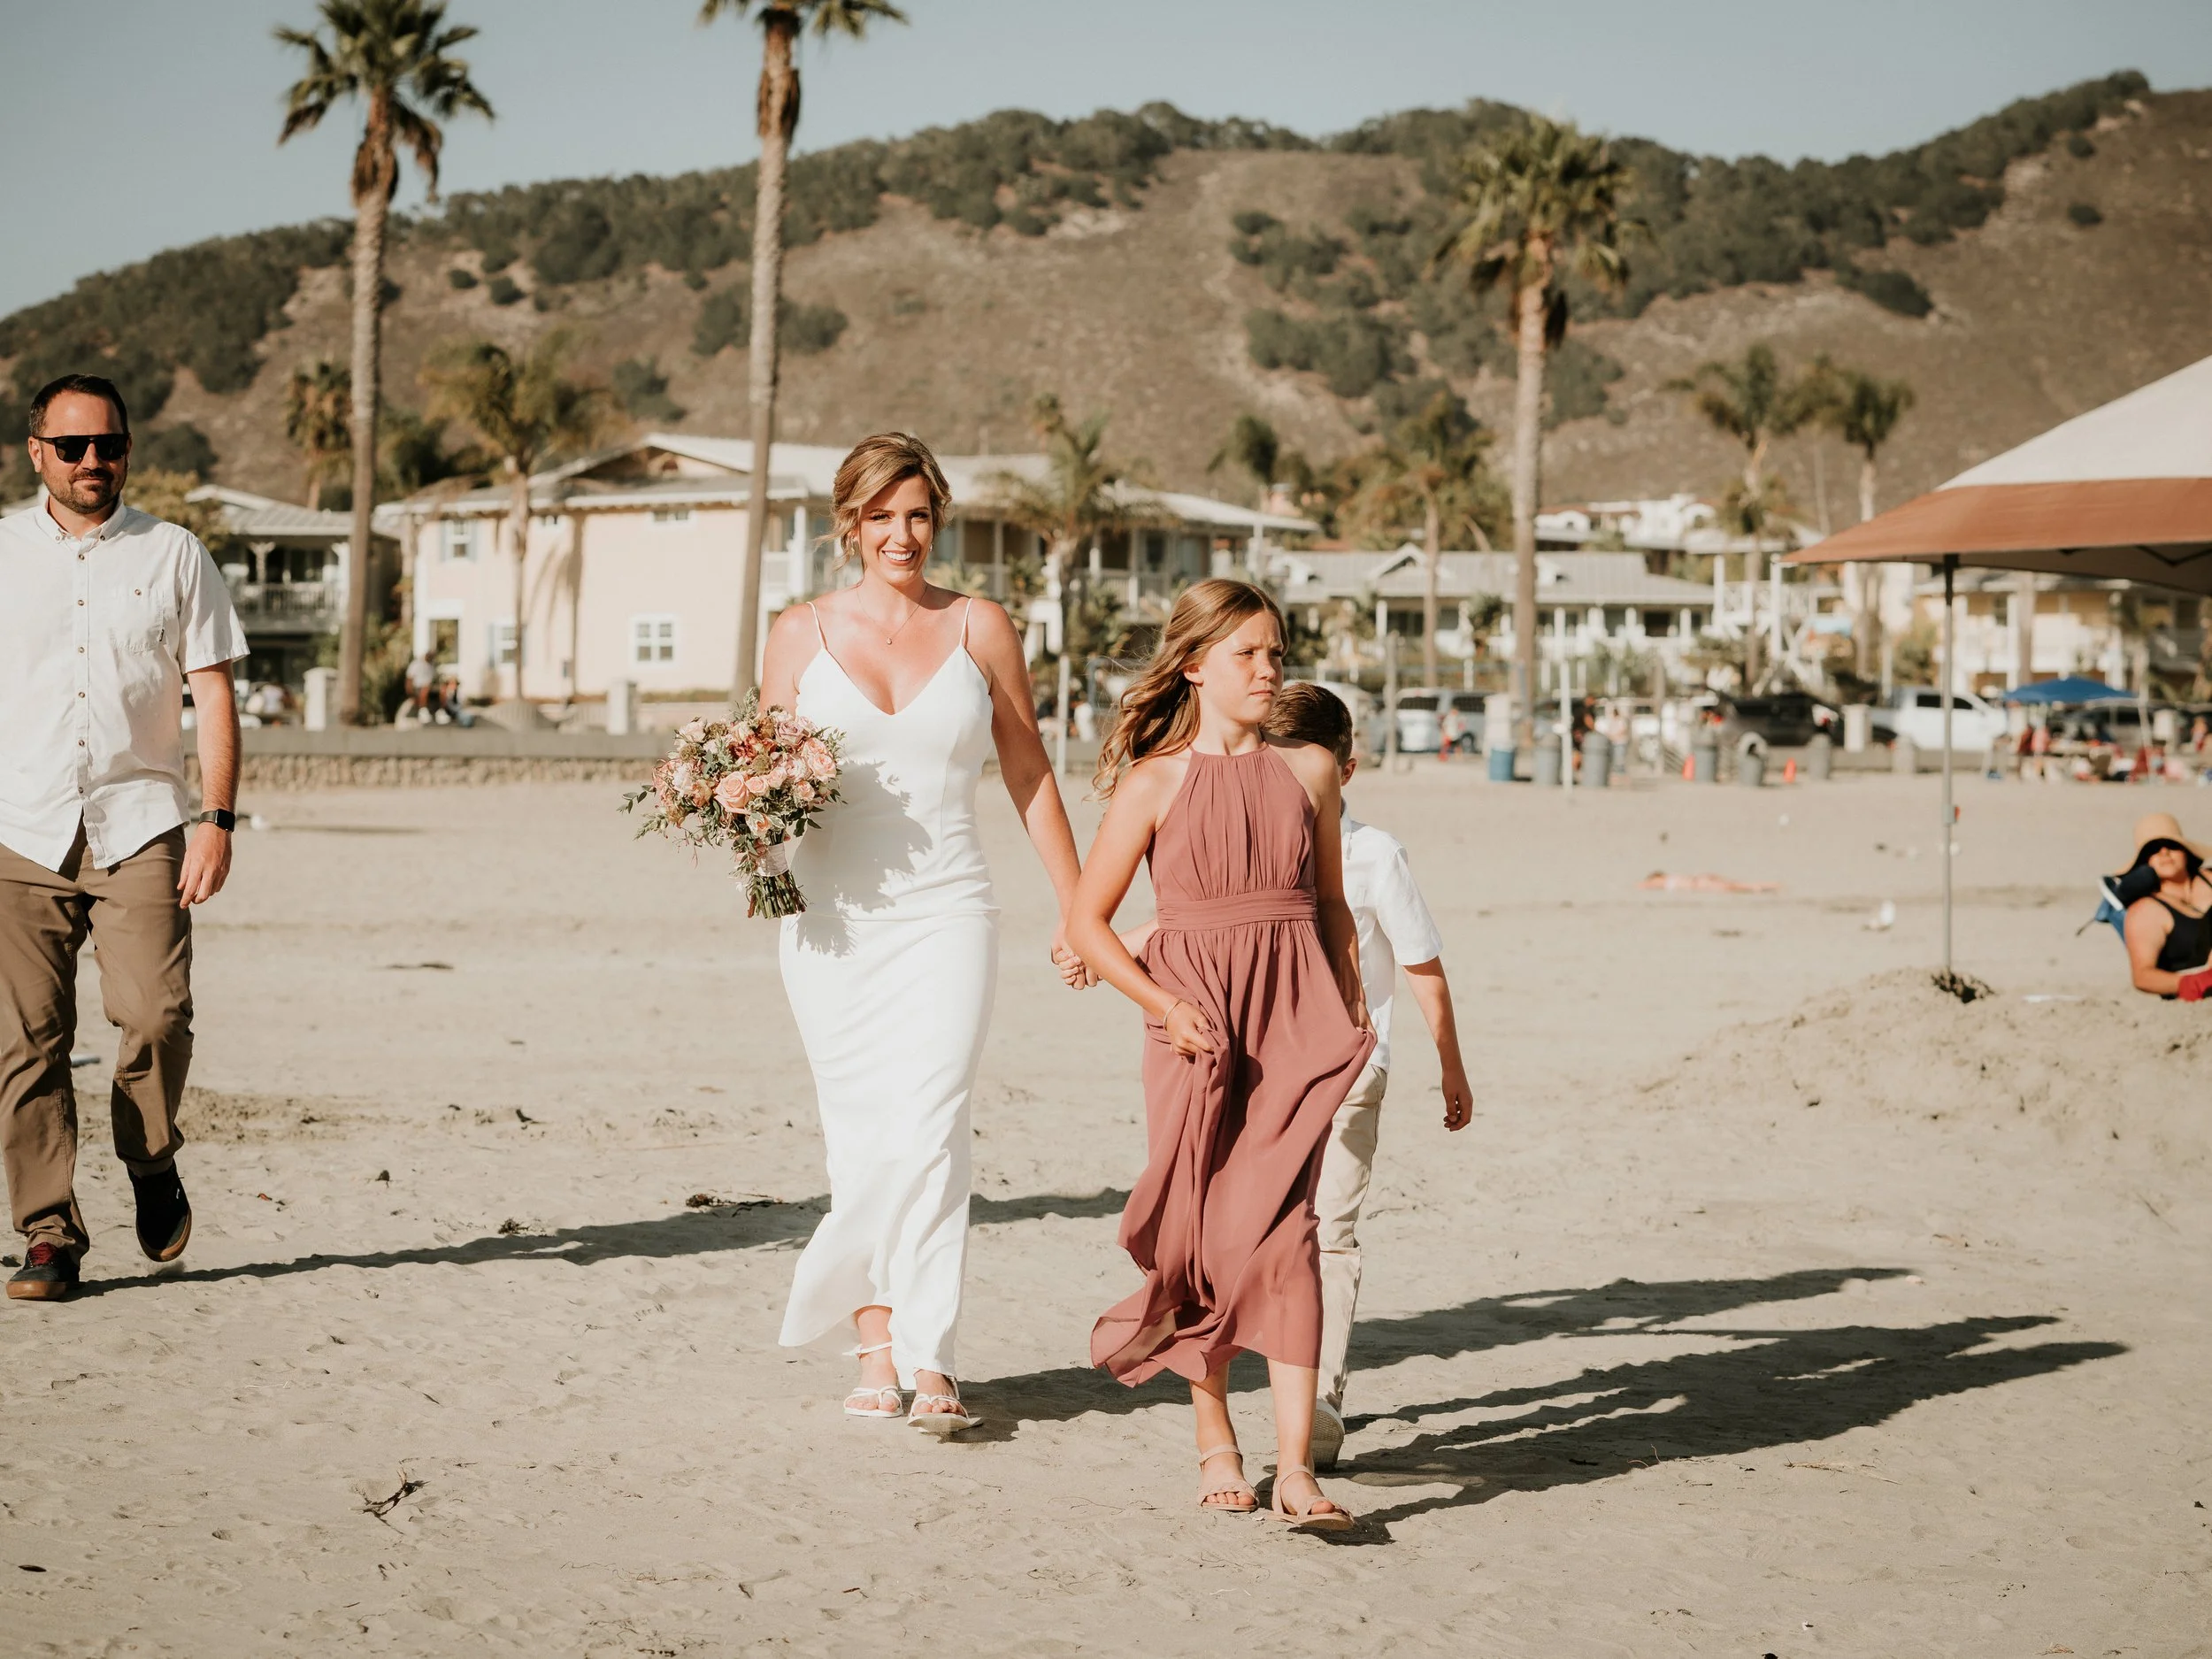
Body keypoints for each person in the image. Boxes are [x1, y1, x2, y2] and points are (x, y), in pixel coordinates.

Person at [757, 432, 1090, 1437]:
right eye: (879, 517)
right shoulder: (796, 633)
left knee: (934, 1123)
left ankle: (930, 1353)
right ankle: (873, 1339)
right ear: (847, 525)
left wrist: (1079, 907)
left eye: (917, 515)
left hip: (949, 906)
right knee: (858, 1128)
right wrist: (749, 844)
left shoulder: (981, 626)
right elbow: (764, 773)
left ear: (936, 518)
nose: (900, 535)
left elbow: (1029, 772)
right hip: (831, 921)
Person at [1067, 580, 1373, 1531]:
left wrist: (1347, 1019)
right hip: (1195, 1025)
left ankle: (1293, 1471)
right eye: (1248, 654)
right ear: (1194, 665)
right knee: (1203, 1235)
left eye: (1277, 652)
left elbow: (1329, 906)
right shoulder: (1152, 783)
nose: (1269, 669)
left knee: (1287, 1231)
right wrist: (1163, 1001)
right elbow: (1085, 921)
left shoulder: (1312, 769)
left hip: (1296, 1020)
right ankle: (1215, 1437)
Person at [0, 373, 246, 1302]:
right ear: (37, 455)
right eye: (73, 447)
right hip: (16, 826)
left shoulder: (175, 553)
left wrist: (216, 821)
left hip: (140, 823)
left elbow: (214, 691)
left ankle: (149, 1158)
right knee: (25, 1043)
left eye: (110, 445)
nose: (93, 461)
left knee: (155, 1015)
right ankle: (49, 1235)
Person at [1262, 681, 1472, 1470]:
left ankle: (1319, 1400)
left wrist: (1451, 1066)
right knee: (1282, 1232)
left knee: (1333, 1233)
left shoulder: (1375, 853)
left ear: (1345, 771)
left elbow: (1423, 964)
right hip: (1265, 1069)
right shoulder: (1253, 846)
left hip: (1353, 1064)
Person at [2118, 813, 2212, 1001]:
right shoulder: (2146, 911)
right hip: (2196, 997)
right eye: (2153, 850)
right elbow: (2143, 976)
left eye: (2172, 845)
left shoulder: (2208, 879)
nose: (2164, 853)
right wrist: (2192, 983)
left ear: (2185, 851)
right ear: (2145, 862)